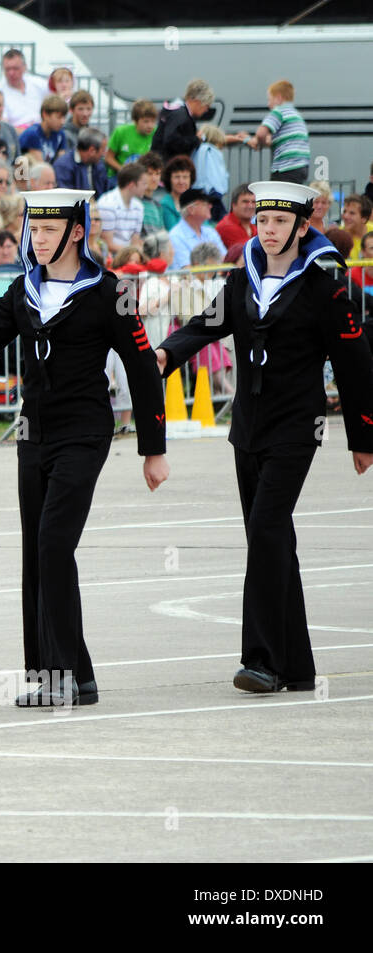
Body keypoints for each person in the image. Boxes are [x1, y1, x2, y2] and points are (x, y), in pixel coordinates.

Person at [154, 181, 373, 694]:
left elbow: (355, 362)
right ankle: (297, 667)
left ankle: (263, 660)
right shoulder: (243, 276)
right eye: (263, 221)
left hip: (297, 426)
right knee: (270, 539)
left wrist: (364, 435)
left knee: (268, 530)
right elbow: (207, 323)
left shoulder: (324, 285)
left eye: (279, 223)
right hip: (247, 427)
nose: (268, 231)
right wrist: (166, 354)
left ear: (301, 226)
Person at [0, 189, 169, 706]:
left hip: (84, 431)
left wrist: (153, 447)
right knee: (38, 550)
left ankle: (62, 678)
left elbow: (143, 370)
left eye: (50, 230)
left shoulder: (109, 291)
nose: (38, 238)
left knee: (55, 544)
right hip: (33, 435)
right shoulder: (21, 290)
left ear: (77, 232)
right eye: (35, 229)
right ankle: (75, 675)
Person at [245, 80, 310, 184]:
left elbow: (261, 133)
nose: (268, 104)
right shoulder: (296, 115)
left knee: (277, 195)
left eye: (269, 100)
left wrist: (258, 142)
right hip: (301, 167)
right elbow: (276, 140)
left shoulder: (279, 112)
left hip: (285, 167)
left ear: (278, 98)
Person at [152, 79, 214, 162]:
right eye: (207, 106)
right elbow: (171, 141)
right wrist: (195, 139)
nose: (206, 110)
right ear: (197, 102)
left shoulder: (175, 111)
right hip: (169, 165)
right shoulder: (181, 116)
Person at [169, 188, 227, 270]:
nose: (210, 206)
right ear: (191, 209)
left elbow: (225, 260)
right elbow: (187, 270)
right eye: (205, 203)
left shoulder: (210, 232)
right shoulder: (175, 236)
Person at [105, 99, 157, 176]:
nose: (150, 126)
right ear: (135, 121)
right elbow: (108, 158)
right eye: (146, 121)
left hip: (145, 176)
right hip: (119, 176)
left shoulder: (157, 133)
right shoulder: (121, 132)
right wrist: (123, 170)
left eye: (153, 121)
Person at [18, 95, 68, 167]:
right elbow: (40, 168)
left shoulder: (60, 134)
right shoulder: (33, 134)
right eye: (58, 117)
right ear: (45, 114)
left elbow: (62, 164)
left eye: (64, 117)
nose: (62, 122)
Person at [217, 184, 257, 251]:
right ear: (233, 205)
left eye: (253, 202)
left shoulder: (254, 228)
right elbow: (249, 251)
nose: (250, 206)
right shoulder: (226, 227)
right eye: (245, 202)